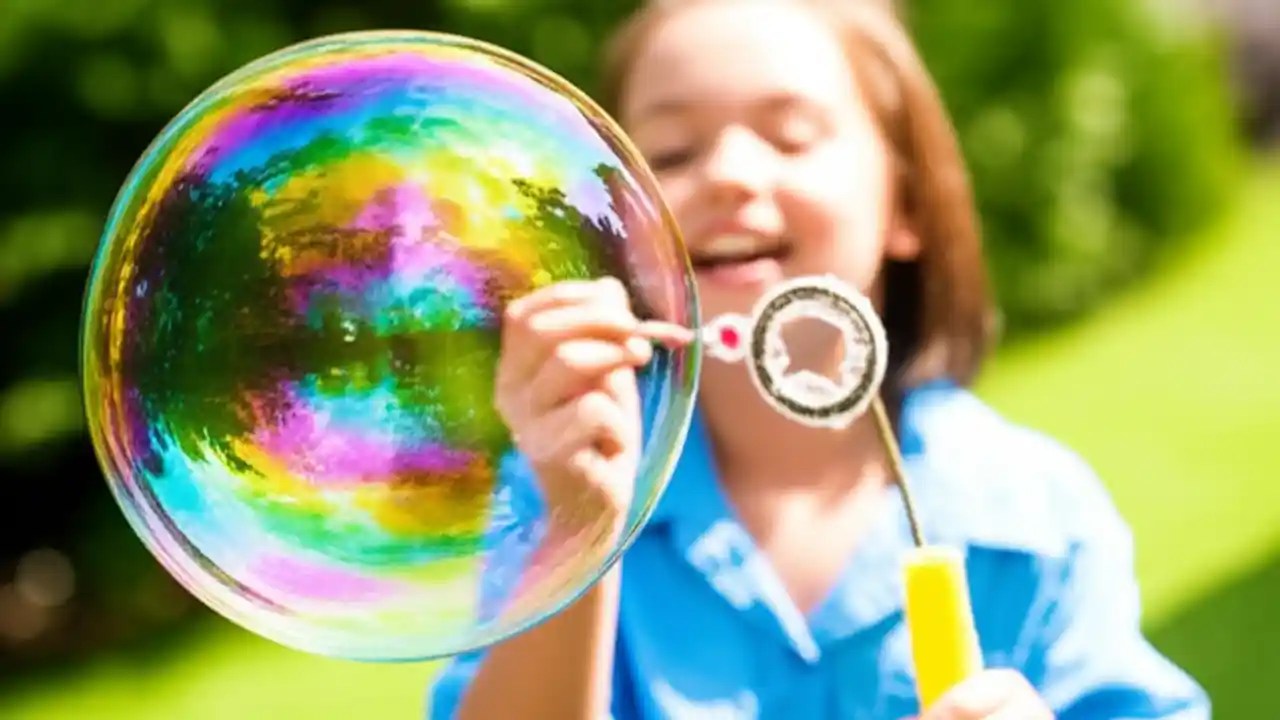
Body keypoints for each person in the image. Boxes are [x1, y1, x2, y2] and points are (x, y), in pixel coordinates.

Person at [428, 0, 1210, 718]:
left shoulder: (1035, 518)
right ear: (627, 229)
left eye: (790, 135)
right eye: (670, 151)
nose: (730, 173)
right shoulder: (562, 487)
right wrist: (581, 526)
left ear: (904, 203)